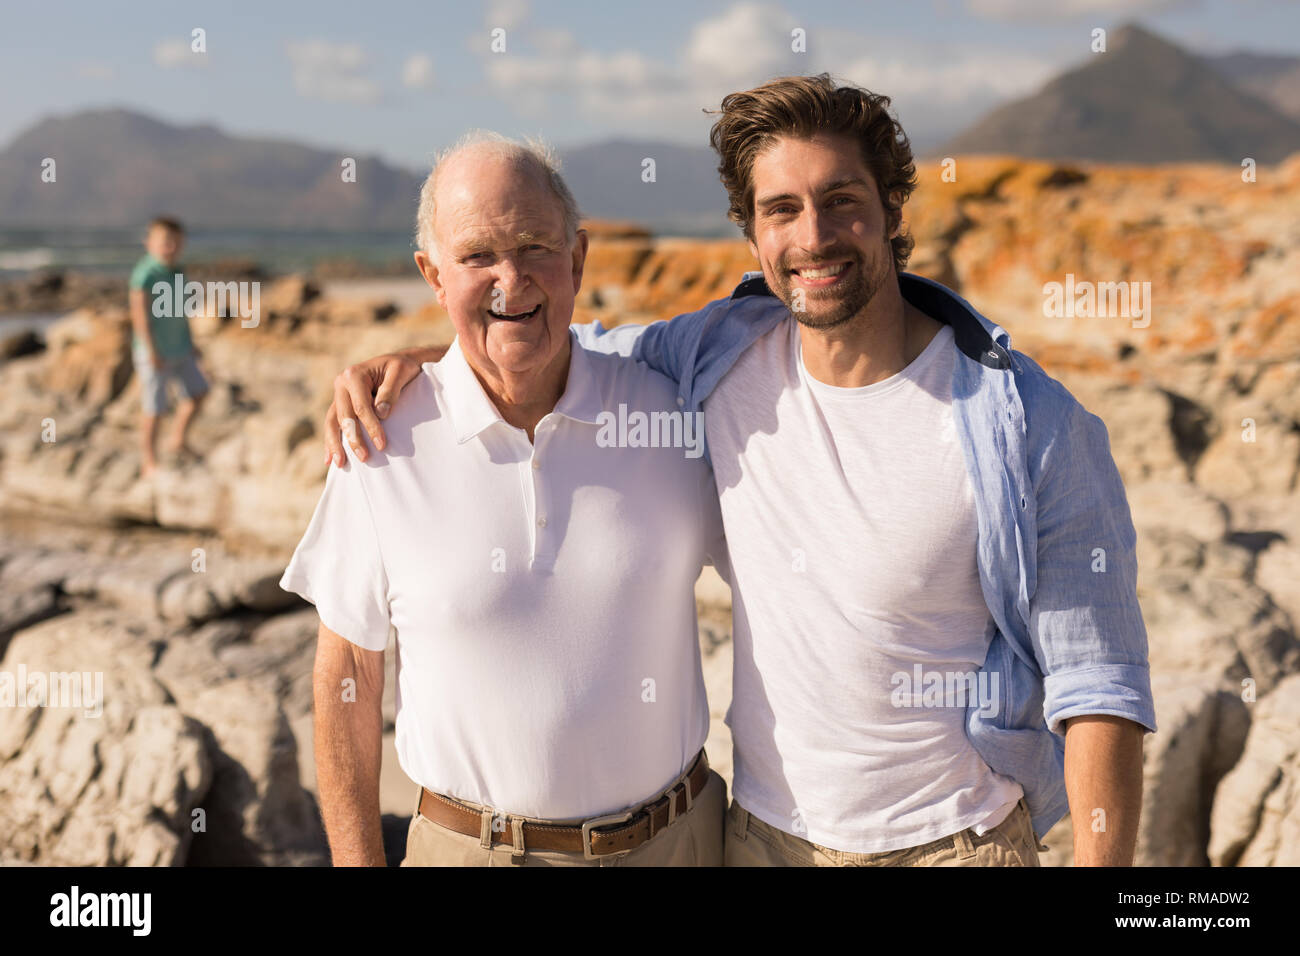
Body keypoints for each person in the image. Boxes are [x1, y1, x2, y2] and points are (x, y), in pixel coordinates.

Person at [323, 75, 1157, 867]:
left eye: (842, 202)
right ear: (752, 231)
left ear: (892, 209)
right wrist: (432, 363)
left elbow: (1099, 685)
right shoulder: (715, 362)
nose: (814, 236)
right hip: (759, 841)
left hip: (955, 842)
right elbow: (542, 344)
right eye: (781, 209)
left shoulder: (1028, 424)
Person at [280, 133, 728, 866]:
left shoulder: (671, 413)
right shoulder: (377, 442)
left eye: (534, 247)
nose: (511, 280)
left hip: (679, 843)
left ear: (577, 258)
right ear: (433, 274)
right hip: (475, 854)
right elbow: (347, 677)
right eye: (478, 256)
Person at [128, 216, 209, 478]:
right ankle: (148, 462)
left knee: (198, 393)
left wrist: (192, 342)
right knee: (154, 408)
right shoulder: (145, 273)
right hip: (154, 352)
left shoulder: (178, 271)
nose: (171, 247)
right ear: (148, 243)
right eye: (165, 241)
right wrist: (151, 351)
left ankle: (178, 440)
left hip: (181, 348)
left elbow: (180, 310)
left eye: (176, 241)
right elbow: (139, 315)